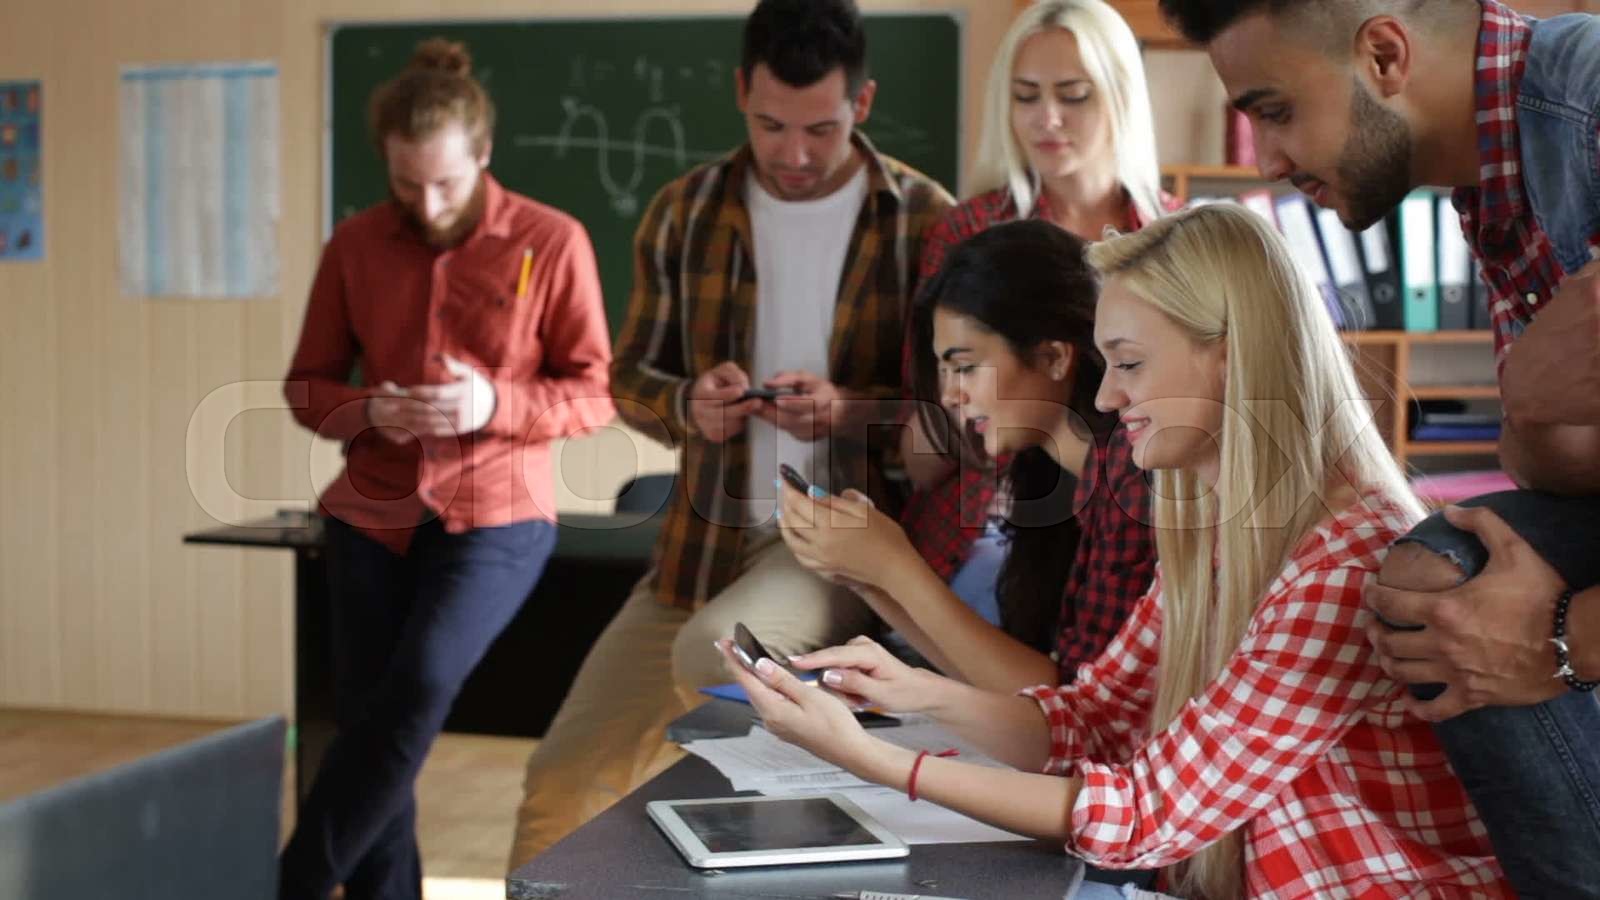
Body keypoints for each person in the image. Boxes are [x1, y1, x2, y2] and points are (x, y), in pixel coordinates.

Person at [723, 204, 1510, 899]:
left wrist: (876, 761)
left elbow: (1145, 815)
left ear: (1232, 353)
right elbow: (1092, 722)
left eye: (1129, 364)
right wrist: (915, 694)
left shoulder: (1344, 565)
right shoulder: (1218, 527)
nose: (1104, 397)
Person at [1156, 1, 1600, 891]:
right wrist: (1532, 396)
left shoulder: (1586, 106)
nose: (1271, 165)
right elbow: (1544, 455)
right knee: (1438, 580)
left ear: (1385, 54)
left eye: (1275, 112)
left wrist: (1564, 640)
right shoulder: (1492, 177)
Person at [507, 0, 954, 867]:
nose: (792, 154)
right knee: (561, 780)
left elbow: (952, 420)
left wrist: (847, 409)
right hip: (698, 544)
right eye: (769, 125)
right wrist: (686, 405)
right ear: (740, 91)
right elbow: (627, 385)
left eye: (820, 129)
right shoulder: (684, 213)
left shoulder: (922, 221)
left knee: (704, 666)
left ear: (862, 103)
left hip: (835, 543)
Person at [276, 39, 615, 900]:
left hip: (498, 514)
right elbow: (305, 388)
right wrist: (368, 410)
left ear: (484, 154)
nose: (426, 205)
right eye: (405, 184)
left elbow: (594, 394)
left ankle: (291, 881)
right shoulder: (354, 245)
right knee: (366, 729)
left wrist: (492, 406)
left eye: (447, 184)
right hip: (369, 513)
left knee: (416, 693)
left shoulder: (554, 240)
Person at [778, 219, 1155, 694]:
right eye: (942, 370)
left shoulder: (1131, 475)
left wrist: (895, 565)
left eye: (965, 366)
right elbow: (1019, 687)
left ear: (1055, 357)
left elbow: (1072, 705)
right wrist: (868, 578)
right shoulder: (1046, 474)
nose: (950, 394)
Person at [898, 0, 1167, 667]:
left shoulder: (1171, 246)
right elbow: (932, 423)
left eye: (1073, 96)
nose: (1047, 119)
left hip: (1129, 526)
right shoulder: (968, 234)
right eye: (1026, 97)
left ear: (1120, 98)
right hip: (986, 531)